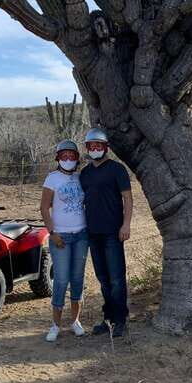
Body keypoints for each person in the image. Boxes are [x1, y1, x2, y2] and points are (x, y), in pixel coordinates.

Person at [80, 128, 133, 337]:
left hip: (113, 232)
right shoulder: (85, 173)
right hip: (93, 233)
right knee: (102, 278)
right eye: (91, 146)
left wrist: (126, 224)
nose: (95, 149)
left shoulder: (117, 170)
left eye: (99, 146)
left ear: (106, 148)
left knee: (117, 278)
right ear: (87, 149)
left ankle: (121, 320)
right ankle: (108, 319)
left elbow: (127, 198)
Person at [40, 139, 89, 342]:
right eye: (64, 156)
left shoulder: (81, 178)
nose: (68, 159)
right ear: (58, 158)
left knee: (78, 278)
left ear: (77, 159)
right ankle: (55, 325)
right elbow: (44, 207)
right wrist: (53, 232)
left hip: (81, 235)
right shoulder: (52, 179)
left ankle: (75, 321)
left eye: (72, 156)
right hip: (60, 235)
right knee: (61, 279)